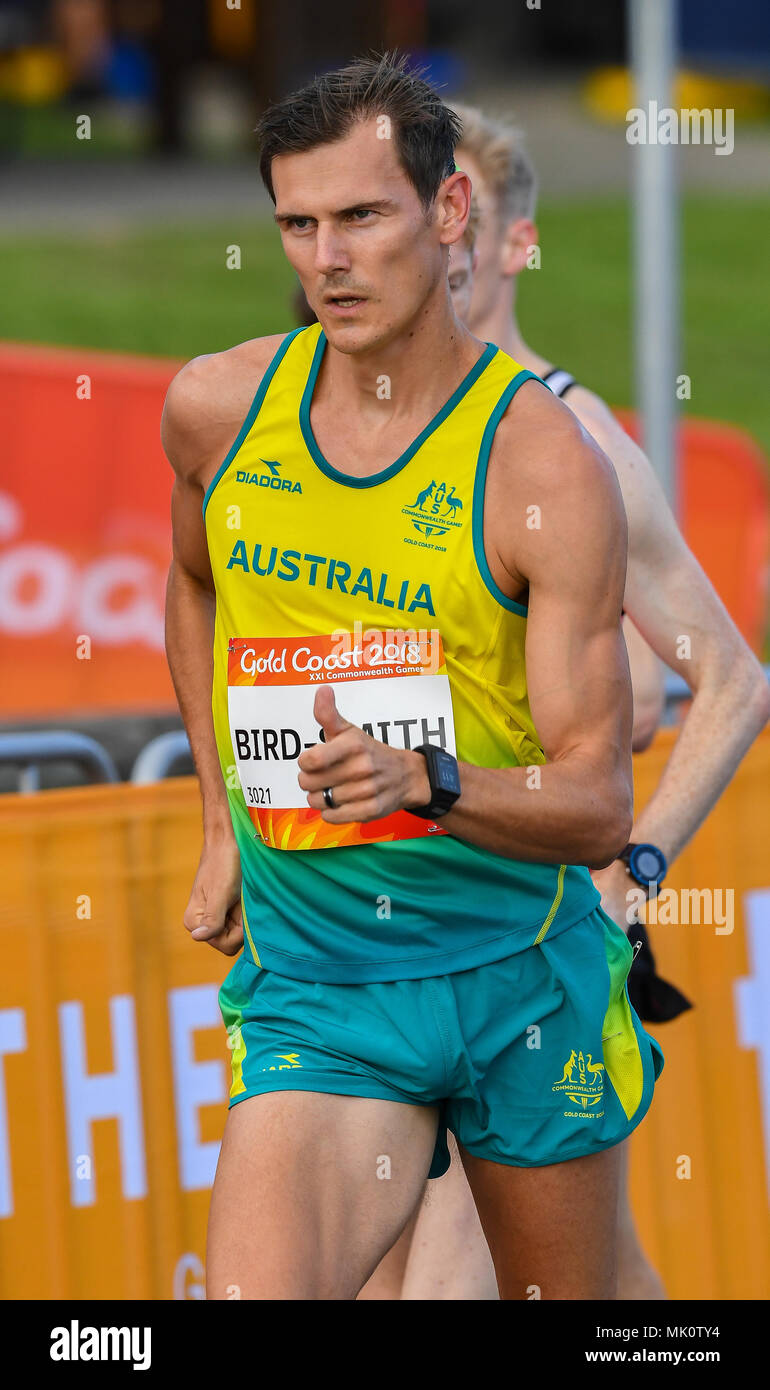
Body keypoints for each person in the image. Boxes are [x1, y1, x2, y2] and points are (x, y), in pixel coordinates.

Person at [162, 53, 671, 1301]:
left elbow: (597, 801)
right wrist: (224, 811)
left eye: (361, 217)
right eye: (297, 223)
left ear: (448, 216)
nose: (326, 258)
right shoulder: (217, 412)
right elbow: (194, 585)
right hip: (323, 988)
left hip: (517, 978)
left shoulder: (545, 468)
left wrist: (424, 778)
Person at [359, 102, 770, 1301]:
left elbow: (725, 681)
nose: (440, 246)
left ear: (511, 242)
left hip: (530, 932)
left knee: (446, 1286)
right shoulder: (365, 430)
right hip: (382, 928)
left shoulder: (571, 437)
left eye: (464, 220)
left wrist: (631, 865)